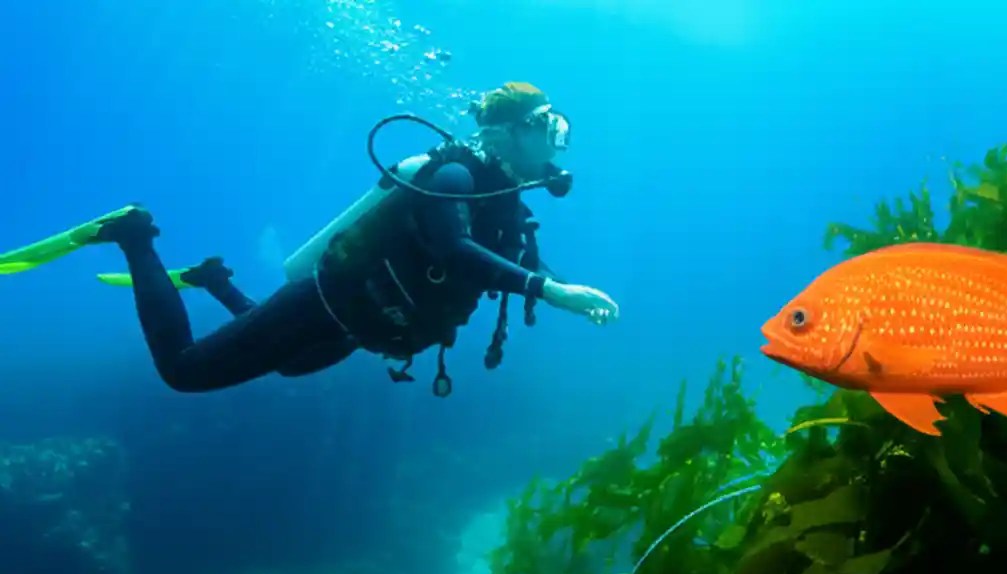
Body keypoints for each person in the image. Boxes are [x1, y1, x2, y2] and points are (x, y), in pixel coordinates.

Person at [45, 81, 620, 395]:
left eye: (559, 131)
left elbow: (523, 265)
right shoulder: (454, 178)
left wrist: (569, 292)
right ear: (506, 132)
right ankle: (136, 235)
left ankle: (216, 281)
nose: (557, 144)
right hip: (326, 303)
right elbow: (453, 250)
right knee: (185, 372)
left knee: (287, 365)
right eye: (550, 128)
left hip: (357, 327)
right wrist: (552, 292)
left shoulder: (505, 206)